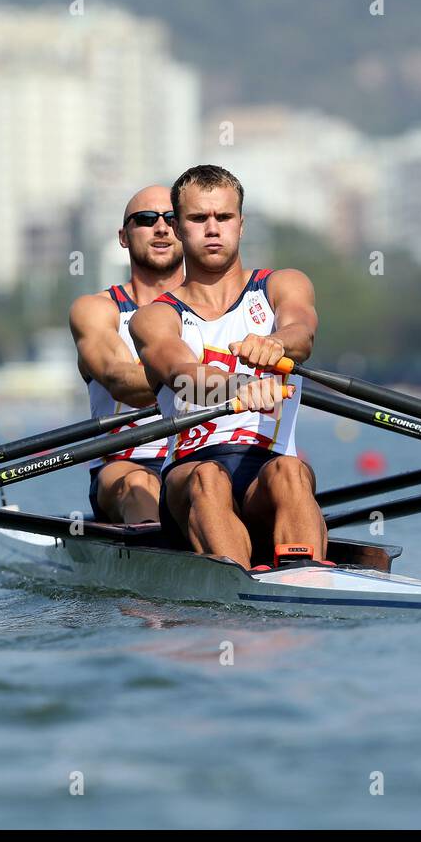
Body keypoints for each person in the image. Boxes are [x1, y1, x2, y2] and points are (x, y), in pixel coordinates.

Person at [130, 164, 326, 568]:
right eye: (199, 218)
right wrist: (238, 387)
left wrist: (274, 344)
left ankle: (305, 577)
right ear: (179, 229)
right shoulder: (154, 317)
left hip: (266, 480)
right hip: (190, 480)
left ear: (242, 223)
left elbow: (301, 332)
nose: (213, 229)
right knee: (209, 479)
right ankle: (236, 591)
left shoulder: (282, 284)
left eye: (224, 217)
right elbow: (181, 374)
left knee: (291, 470)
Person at [69, 186, 183, 523]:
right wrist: (206, 378)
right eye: (146, 220)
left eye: (173, 219)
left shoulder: (216, 308)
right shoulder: (97, 310)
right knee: (140, 483)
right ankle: (162, 564)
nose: (161, 228)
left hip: (203, 458)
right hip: (127, 465)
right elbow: (121, 380)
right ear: (124, 236)